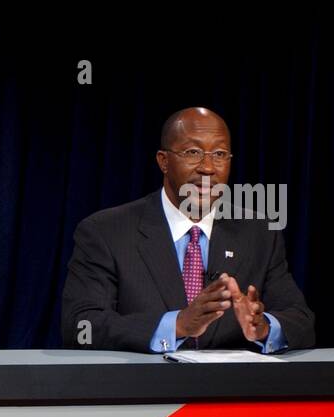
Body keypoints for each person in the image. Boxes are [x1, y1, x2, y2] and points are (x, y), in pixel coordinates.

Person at [62, 107, 314, 353]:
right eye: (193, 152)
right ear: (163, 161)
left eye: (219, 154)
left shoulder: (258, 234)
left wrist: (264, 328)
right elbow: (82, 326)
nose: (208, 167)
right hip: (144, 389)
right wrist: (177, 325)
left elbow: (301, 321)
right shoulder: (106, 231)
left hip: (230, 390)